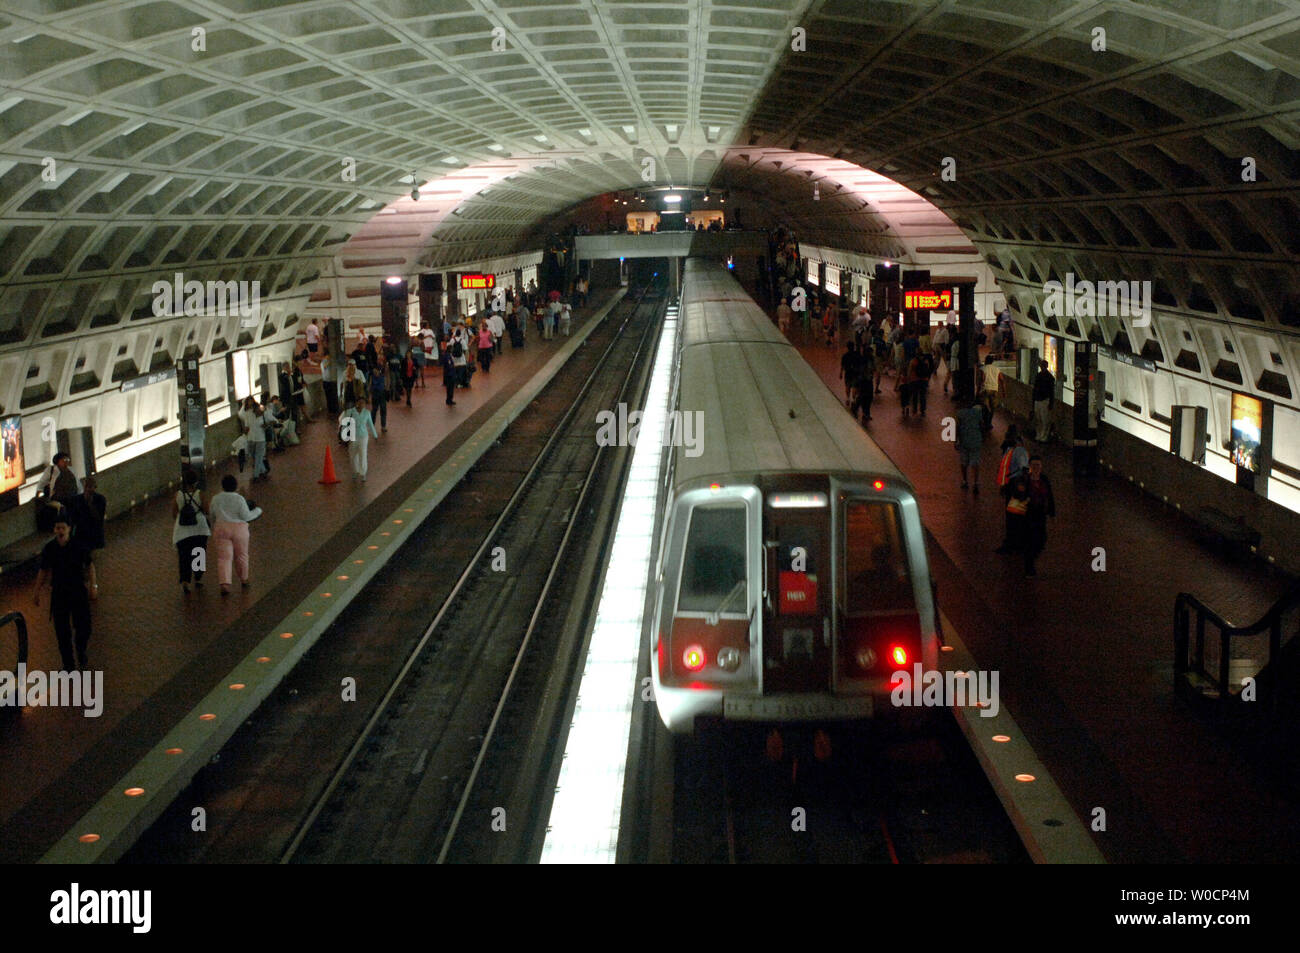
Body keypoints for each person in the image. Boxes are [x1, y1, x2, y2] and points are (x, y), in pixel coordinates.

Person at [33, 508, 97, 671]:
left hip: (77, 591)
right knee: (62, 631)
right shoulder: (50, 548)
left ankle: (80, 649)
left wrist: (93, 586)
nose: (60, 531)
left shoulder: (78, 546)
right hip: (60, 593)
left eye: (62, 528)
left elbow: (90, 566)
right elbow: (43, 570)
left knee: (84, 626)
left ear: (69, 528)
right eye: (57, 528)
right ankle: (68, 663)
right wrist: (37, 591)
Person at [209, 474, 262, 594]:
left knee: (224, 558)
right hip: (239, 530)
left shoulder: (216, 498)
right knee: (242, 555)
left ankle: (225, 584)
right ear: (235, 486)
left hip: (221, 528)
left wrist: (215, 525)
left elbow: (211, 514)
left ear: (222, 486)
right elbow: (246, 516)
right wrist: (257, 511)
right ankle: (244, 579)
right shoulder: (239, 499)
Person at [171, 468, 210, 593]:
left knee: (184, 556)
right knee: (199, 552)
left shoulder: (178, 495)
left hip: (182, 531)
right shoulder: (200, 494)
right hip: (199, 529)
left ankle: (185, 581)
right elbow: (206, 510)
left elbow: (174, 512)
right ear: (196, 481)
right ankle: (198, 578)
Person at [994, 426, 1030, 555]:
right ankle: (1013, 542)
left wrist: (1021, 488)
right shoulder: (1009, 449)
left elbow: (1024, 469)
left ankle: (1015, 543)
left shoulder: (1018, 451)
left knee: (1015, 516)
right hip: (1011, 485)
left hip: (1016, 486)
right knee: (1011, 515)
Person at [1019, 456, 1055, 576]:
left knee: (1041, 539)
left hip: (1041, 513)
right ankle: (1029, 564)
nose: (1036, 468)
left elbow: (1049, 495)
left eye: (1038, 465)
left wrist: (1051, 511)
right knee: (1030, 539)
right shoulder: (1025, 480)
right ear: (1030, 466)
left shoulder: (1044, 479)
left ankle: (1031, 558)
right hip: (1029, 514)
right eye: (1034, 465)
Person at [341, 395, 381, 481]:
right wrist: (344, 436)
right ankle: (355, 472)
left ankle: (363, 473)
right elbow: (345, 424)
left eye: (363, 403)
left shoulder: (367, 413)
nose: (362, 404)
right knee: (353, 455)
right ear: (356, 403)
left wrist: (375, 435)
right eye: (360, 402)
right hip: (353, 436)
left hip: (363, 436)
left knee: (363, 454)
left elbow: (370, 425)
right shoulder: (350, 412)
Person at [68, 475, 107, 552]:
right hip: (82, 533)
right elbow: (73, 517)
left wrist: (90, 504)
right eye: (87, 487)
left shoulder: (100, 499)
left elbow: (99, 518)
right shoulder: (76, 500)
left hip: (94, 533)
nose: (89, 489)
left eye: (91, 487)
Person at [954, 399, 985, 492]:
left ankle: (965, 481)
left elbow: (957, 428)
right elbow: (982, 425)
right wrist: (982, 437)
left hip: (964, 441)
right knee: (975, 463)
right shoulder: (977, 413)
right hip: (975, 440)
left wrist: (956, 440)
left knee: (964, 462)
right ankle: (975, 483)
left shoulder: (960, 414)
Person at [238, 396, 269, 480]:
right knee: (256, 456)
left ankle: (256, 475)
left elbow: (247, 426)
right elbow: (247, 426)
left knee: (257, 456)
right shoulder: (250, 413)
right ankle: (263, 470)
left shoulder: (259, 412)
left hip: (258, 437)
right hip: (254, 437)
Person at [1032, 359, 1055, 442]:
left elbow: (1035, 389)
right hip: (1043, 399)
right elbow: (1052, 391)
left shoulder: (1040, 376)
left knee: (1041, 419)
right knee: (1041, 418)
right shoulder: (1049, 377)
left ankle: (1041, 435)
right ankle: (1042, 436)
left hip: (1041, 399)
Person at [369, 357, 389, 432]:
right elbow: (373, 377)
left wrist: (387, 388)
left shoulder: (384, 368)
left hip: (382, 390)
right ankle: (372, 425)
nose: (380, 361)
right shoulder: (374, 369)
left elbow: (386, 376)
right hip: (376, 390)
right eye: (379, 359)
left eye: (381, 360)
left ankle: (383, 426)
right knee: (374, 409)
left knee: (383, 409)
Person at [839, 342, 860, 406]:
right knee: (855, 386)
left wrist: (841, 373)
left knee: (847, 385)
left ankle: (848, 398)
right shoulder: (857, 354)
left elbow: (842, 365)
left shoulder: (845, 356)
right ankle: (854, 398)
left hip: (848, 372)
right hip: (855, 373)